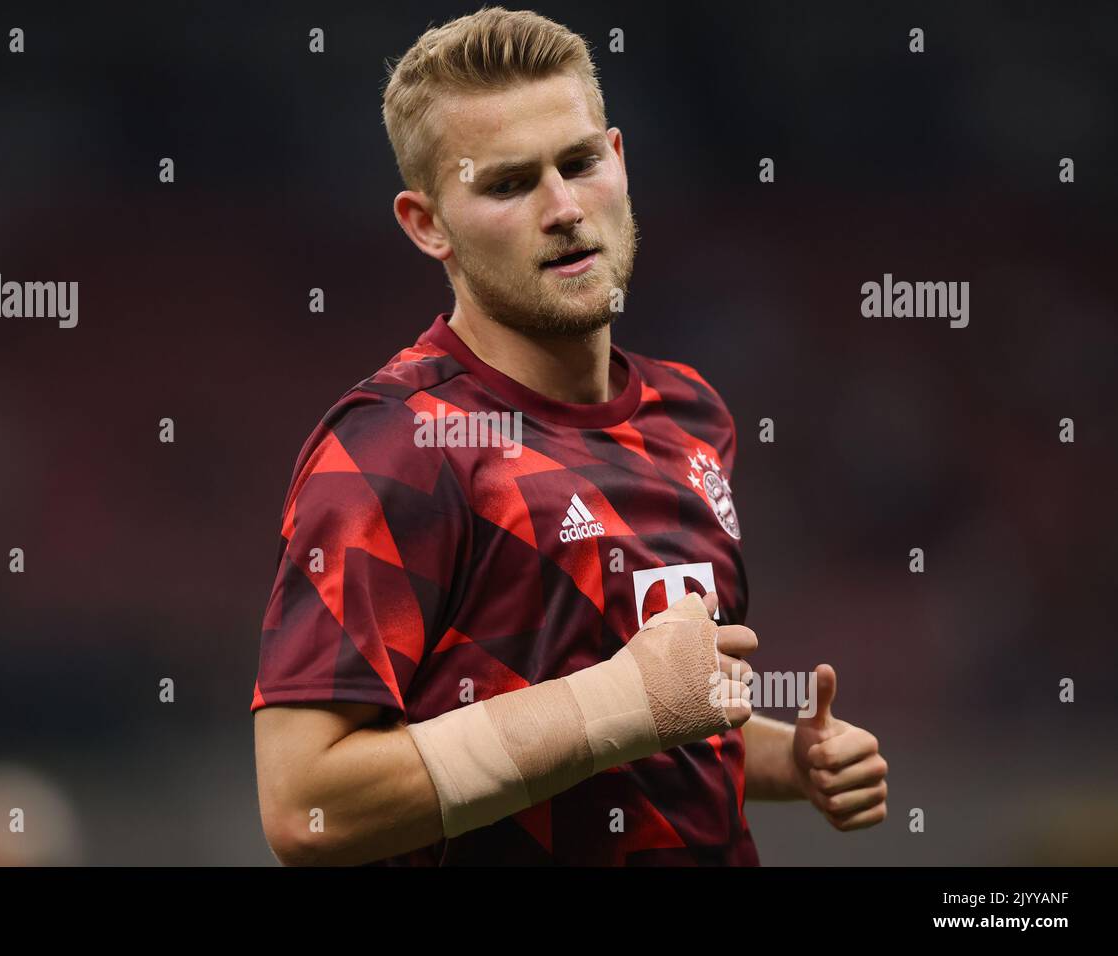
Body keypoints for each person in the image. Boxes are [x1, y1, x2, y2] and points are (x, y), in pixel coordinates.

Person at [252, 6, 887, 866]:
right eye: (509, 184)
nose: (562, 208)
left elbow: (658, 715)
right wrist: (611, 708)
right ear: (426, 223)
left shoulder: (689, 414)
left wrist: (791, 761)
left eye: (580, 163)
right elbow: (305, 807)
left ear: (619, 162)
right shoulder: (395, 448)